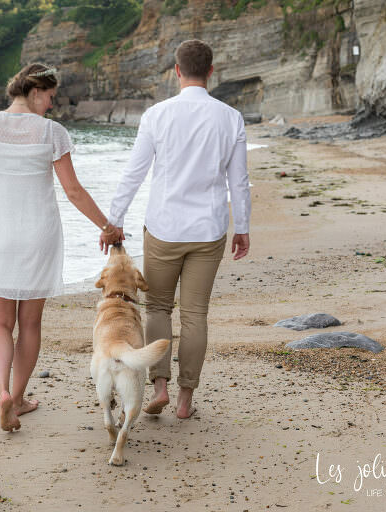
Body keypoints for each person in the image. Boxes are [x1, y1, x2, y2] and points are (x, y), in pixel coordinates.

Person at [0, 63, 122, 432]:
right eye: (49, 98)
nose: (51, 105)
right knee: (29, 323)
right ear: (34, 92)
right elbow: (74, 191)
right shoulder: (52, 133)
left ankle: (1, 392)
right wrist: (107, 227)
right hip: (37, 236)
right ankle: (17, 399)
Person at [101, 40, 251, 419]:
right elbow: (239, 182)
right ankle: (186, 399)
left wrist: (113, 220)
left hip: (165, 228)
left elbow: (134, 172)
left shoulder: (156, 115)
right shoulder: (230, 117)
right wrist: (243, 227)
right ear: (211, 72)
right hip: (209, 229)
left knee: (158, 308)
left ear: (177, 70)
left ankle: (160, 386)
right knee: (196, 314)